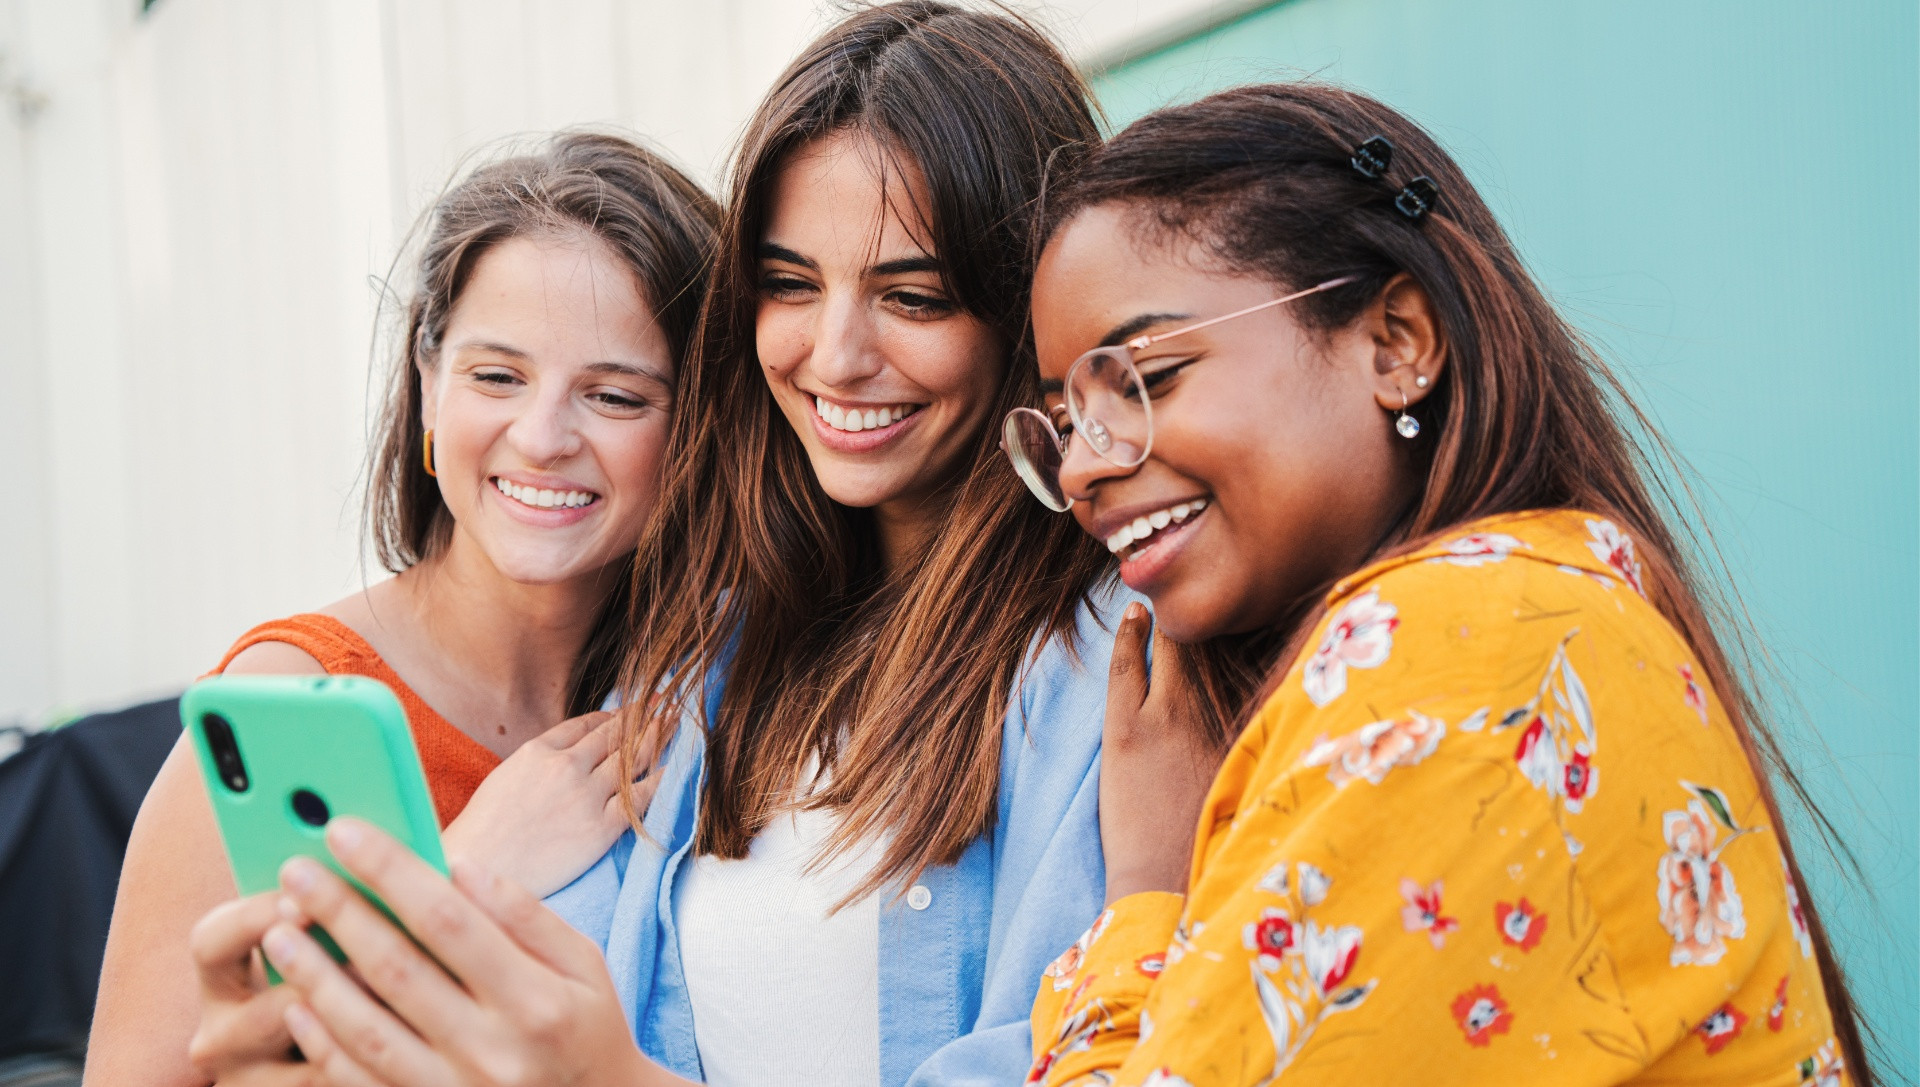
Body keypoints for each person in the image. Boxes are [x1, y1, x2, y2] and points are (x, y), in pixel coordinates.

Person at [181, 5, 1152, 1087]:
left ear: (1032, 306)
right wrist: (460, 877)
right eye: (789, 284)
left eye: (913, 296)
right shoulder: (714, 654)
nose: (835, 356)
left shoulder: (1116, 661)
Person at [1004, 83, 1875, 1084]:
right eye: (1063, 425)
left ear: (1398, 342)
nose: (1080, 468)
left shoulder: (1462, 651)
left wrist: (1145, 897)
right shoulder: (1546, 604)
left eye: (1147, 379)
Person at [86, 132, 719, 1087]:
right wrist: (460, 872)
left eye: (616, 396)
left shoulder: (708, 686)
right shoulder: (288, 703)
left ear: (700, 429)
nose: (543, 437)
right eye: (496, 376)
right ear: (427, 386)